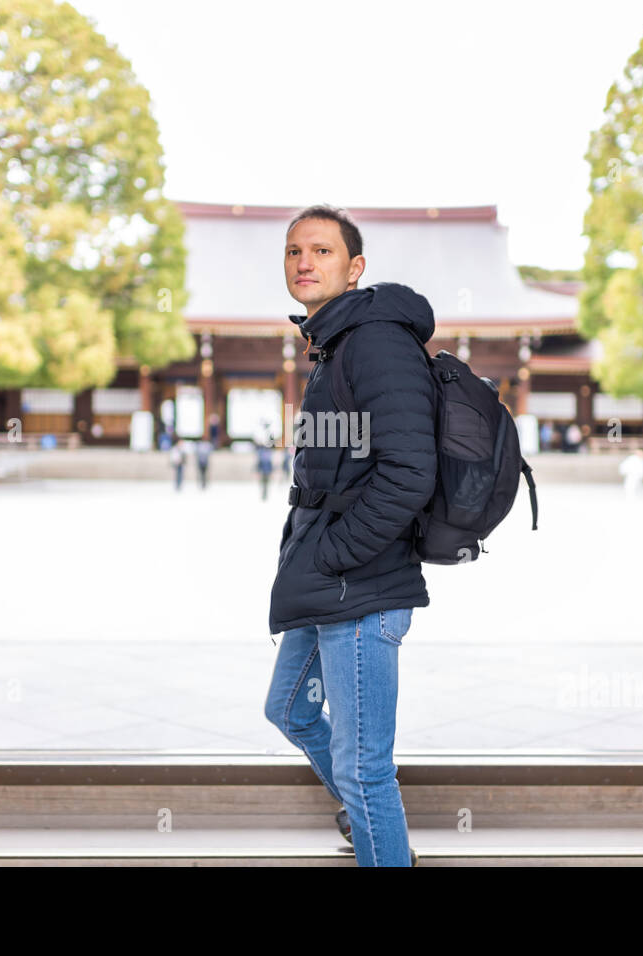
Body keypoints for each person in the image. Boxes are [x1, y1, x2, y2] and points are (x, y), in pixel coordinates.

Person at [263, 204, 436, 867]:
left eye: (321, 251)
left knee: (365, 767)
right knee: (290, 709)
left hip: (359, 589)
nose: (304, 261)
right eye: (292, 251)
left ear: (355, 266)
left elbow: (410, 471)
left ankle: (376, 828)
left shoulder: (376, 341)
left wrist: (335, 556)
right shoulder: (335, 340)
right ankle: (365, 816)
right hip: (327, 582)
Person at [256, 431, 275, 501]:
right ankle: (263, 495)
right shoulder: (263, 453)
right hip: (263, 471)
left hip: (266, 471)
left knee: (266, 484)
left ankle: (265, 495)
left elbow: (269, 463)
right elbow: (259, 463)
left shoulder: (266, 453)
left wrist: (271, 471)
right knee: (263, 484)